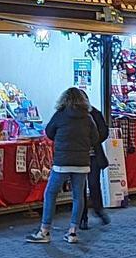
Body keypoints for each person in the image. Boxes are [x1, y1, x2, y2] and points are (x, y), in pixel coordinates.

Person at [25, 88, 97, 244]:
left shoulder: (60, 115)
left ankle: (45, 231)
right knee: (78, 197)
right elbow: (95, 138)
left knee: (50, 193)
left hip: (62, 162)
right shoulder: (88, 118)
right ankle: (72, 232)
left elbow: (49, 132)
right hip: (82, 163)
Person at [79, 93, 111, 230]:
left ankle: (97, 209)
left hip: (91, 156)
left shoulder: (95, 113)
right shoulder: (71, 115)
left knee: (93, 184)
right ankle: (83, 217)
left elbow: (104, 132)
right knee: (81, 187)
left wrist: (93, 141)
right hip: (79, 156)